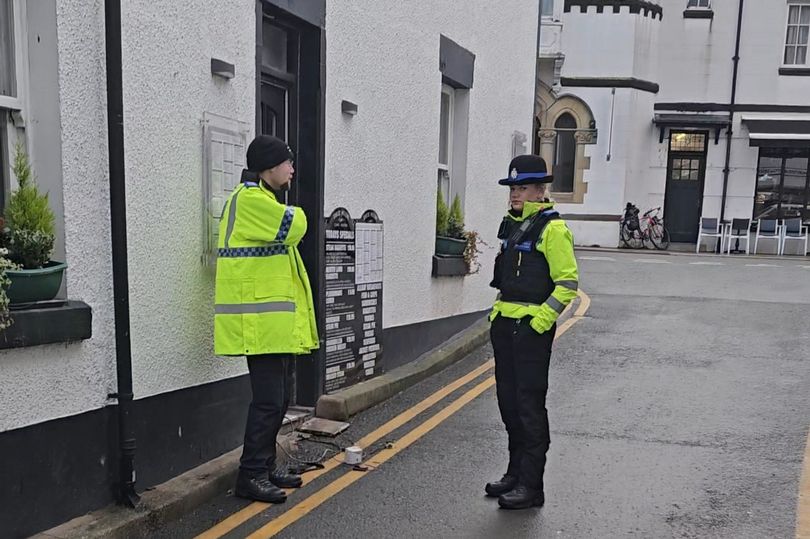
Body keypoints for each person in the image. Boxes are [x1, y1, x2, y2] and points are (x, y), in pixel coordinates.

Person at [214, 135, 319, 503]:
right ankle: (251, 475)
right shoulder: (251, 201)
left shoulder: (261, 200)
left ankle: (266, 465)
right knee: (268, 402)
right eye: (287, 162)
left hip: (271, 325)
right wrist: (299, 214)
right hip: (258, 325)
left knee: (278, 400)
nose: (292, 169)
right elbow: (297, 224)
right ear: (269, 167)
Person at [486, 154, 579, 510]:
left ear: (540, 190)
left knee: (528, 406)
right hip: (504, 326)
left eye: (522, 188)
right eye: (513, 188)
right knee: (508, 404)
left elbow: (567, 283)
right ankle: (514, 473)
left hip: (530, 332)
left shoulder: (553, 229)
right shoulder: (511, 225)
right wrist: (498, 316)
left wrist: (539, 324)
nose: (515, 194)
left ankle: (531, 485)